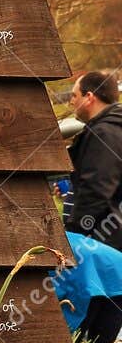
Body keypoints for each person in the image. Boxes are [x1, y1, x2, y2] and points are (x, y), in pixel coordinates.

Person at [65, 70, 122, 249]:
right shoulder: (112, 128)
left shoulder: (104, 133)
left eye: (74, 95)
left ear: (89, 97)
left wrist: (74, 235)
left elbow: (96, 190)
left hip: (105, 242)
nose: (71, 101)